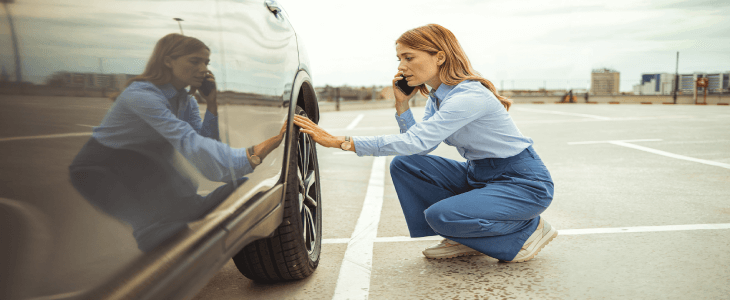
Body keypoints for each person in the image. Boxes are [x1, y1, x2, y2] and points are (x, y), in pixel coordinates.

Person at [293, 24, 556, 262]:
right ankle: (465, 237)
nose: (401, 67)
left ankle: (528, 229)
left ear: (439, 56)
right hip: (481, 174)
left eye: (409, 58)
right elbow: (421, 148)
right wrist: (402, 105)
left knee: (440, 216)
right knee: (406, 164)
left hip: (522, 183)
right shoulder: (438, 97)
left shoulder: (469, 95)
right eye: (399, 59)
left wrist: (342, 141)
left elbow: (417, 140)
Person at [69, 33, 285, 251]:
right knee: (151, 227)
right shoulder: (141, 95)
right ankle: (159, 225)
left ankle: (186, 207)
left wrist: (211, 104)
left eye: (206, 62)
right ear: (167, 61)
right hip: (98, 169)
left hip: (140, 164)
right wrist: (248, 156)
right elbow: (186, 139)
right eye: (194, 61)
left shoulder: (186, 101)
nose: (203, 69)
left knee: (175, 219)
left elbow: (202, 148)